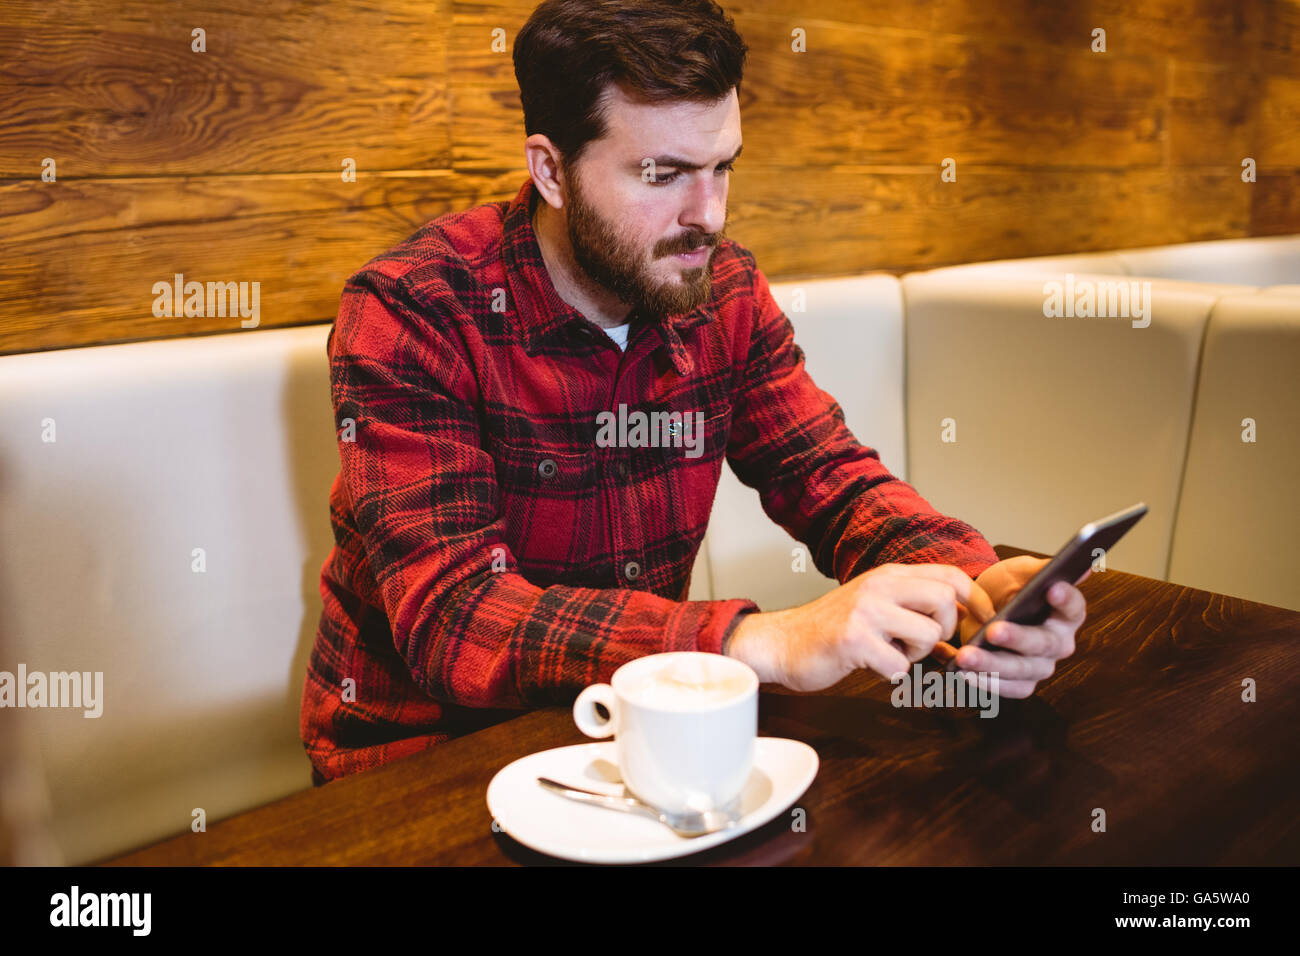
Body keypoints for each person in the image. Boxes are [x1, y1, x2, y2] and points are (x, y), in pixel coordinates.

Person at [300, 0, 1086, 784]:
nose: (707, 216)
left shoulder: (723, 289)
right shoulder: (414, 310)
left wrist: (975, 586)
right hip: (425, 765)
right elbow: (454, 614)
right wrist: (757, 642)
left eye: (722, 168)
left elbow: (828, 475)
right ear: (551, 170)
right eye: (663, 174)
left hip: (645, 734)